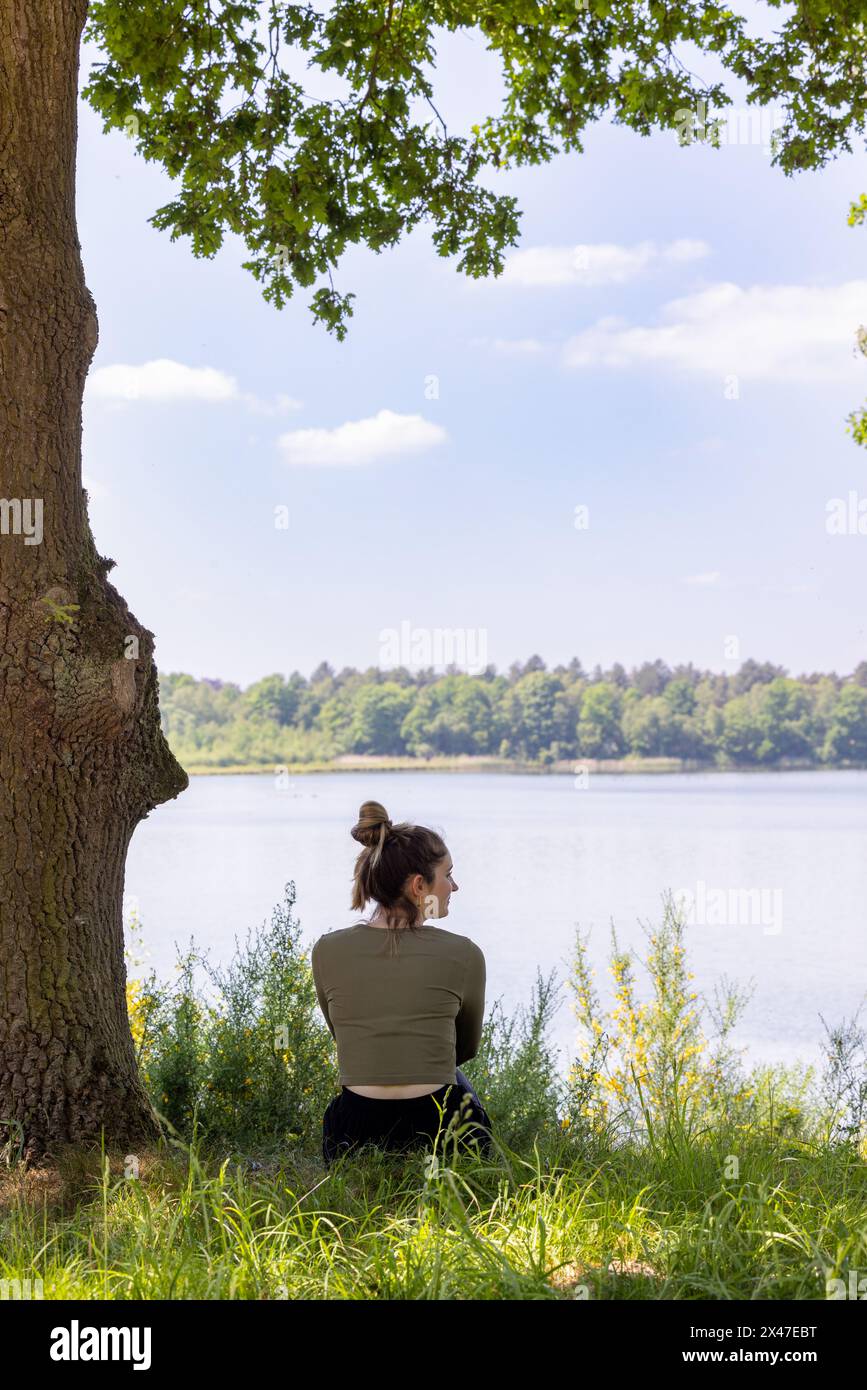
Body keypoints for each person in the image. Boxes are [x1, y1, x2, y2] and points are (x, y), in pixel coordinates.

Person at [311, 800, 494, 1167]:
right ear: (418, 886)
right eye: (448, 875)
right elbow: (464, 1048)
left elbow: (344, 1036)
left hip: (354, 1128)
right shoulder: (463, 954)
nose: (454, 887)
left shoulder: (327, 950)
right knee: (458, 1080)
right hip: (439, 1123)